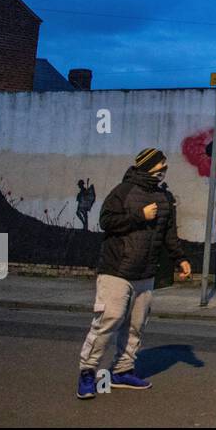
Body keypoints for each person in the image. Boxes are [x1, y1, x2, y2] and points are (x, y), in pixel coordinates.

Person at [76, 148, 191, 399]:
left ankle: (122, 370)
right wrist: (139, 215)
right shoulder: (122, 192)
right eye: (161, 165)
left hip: (146, 272)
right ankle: (87, 372)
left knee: (136, 326)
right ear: (149, 166)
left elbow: (168, 234)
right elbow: (106, 222)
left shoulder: (164, 197)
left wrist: (180, 259)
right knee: (109, 320)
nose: (164, 170)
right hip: (116, 269)